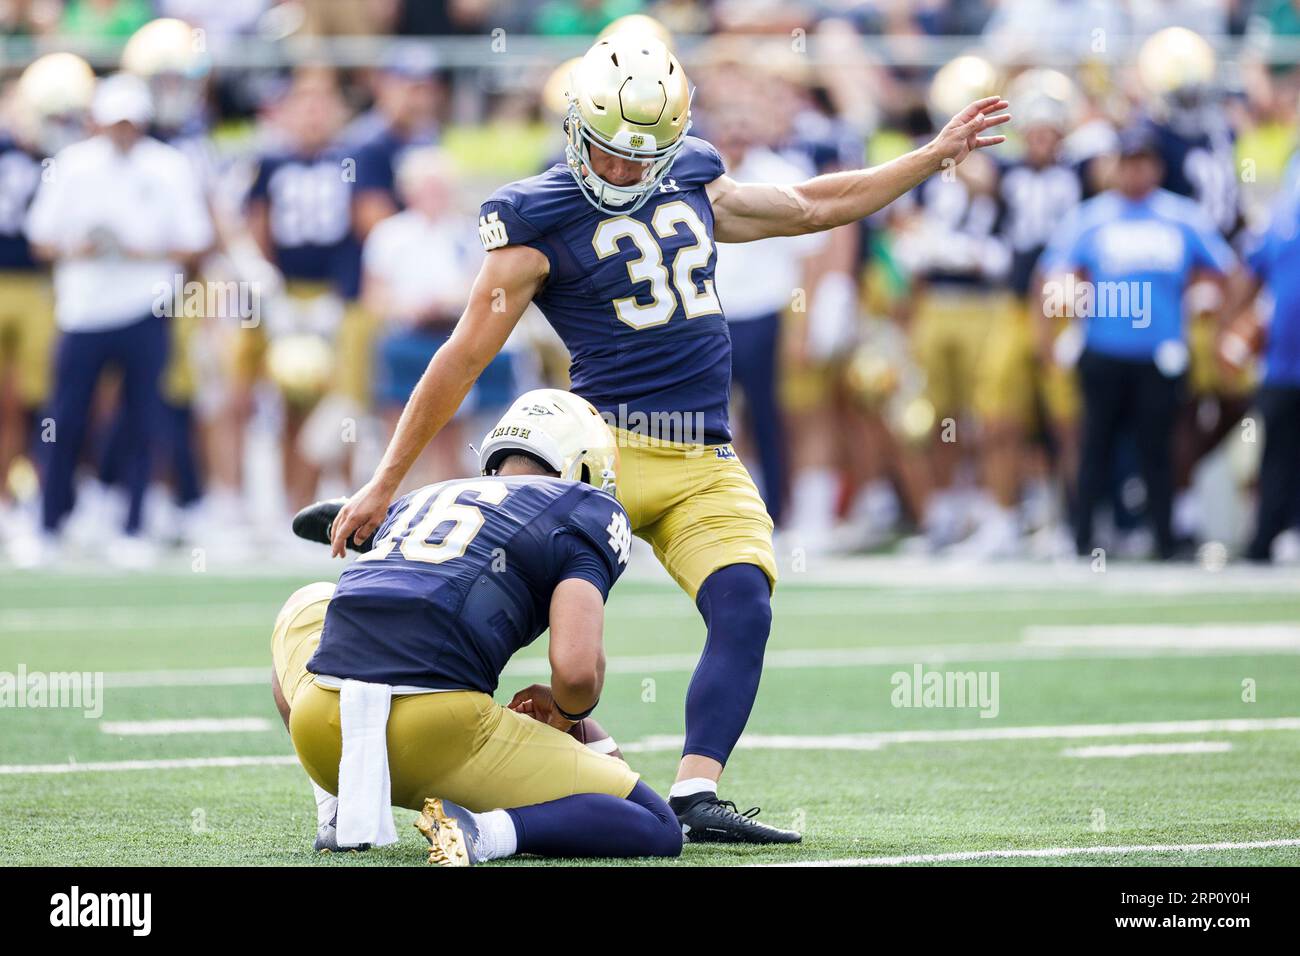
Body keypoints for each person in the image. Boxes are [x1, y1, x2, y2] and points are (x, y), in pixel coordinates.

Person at [328, 30, 1009, 843]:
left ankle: (695, 789)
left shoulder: (691, 171)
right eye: (609, 152)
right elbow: (462, 357)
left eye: (641, 156)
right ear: (577, 127)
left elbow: (812, 205)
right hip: (600, 450)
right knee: (509, 607)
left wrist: (930, 157)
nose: (623, 169)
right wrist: (383, 479)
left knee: (745, 602)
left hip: (702, 453)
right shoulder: (531, 215)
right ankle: (434, 731)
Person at [272, 389, 681, 865]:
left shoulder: (423, 497)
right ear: (587, 467)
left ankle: (337, 811)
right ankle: (485, 832)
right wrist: (568, 717)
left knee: (308, 603)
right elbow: (575, 673)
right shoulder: (585, 508)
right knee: (655, 824)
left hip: (321, 730)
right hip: (435, 735)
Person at [23, 71, 212, 567]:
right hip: (84, 309)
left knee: (146, 418)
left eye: (131, 122)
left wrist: (138, 250)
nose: (123, 132)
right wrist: (80, 248)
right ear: (97, 123)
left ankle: (134, 524)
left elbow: (195, 241)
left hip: (147, 307)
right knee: (63, 418)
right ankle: (48, 522)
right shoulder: (71, 165)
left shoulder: (169, 166)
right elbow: (41, 238)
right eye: (115, 123)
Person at [1041, 126, 1236, 560]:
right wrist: (1064, 317)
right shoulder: (1090, 217)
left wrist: (1210, 312)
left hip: (1160, 352)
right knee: (1095, 447)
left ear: (1158, 166)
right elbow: (1056, 275)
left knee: (1160, 450)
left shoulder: (1181, 216)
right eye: (1128, 162)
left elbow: (1223, 270)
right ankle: (1081, 536)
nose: (1136, 171)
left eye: (1144, 161)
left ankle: (1164, 539)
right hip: (1103, 349)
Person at [1235, 179, 1300, 562]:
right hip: (1280, 363)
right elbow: (1249, 276)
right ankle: (1267, 536)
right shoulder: (1280, 221)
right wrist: (1231, 333)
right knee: (1275, 453)